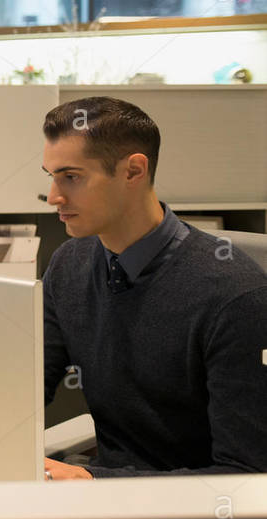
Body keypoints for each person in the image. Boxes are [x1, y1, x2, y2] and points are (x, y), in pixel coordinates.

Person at [40, 96, 267, 480]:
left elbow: (246, 473)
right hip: (107, 501)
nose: (54, 197)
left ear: (133, 171)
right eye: (51, 176)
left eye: (71, 177)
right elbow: (26, 390)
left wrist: (91, 480)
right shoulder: (69, 265)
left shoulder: (235, 296)